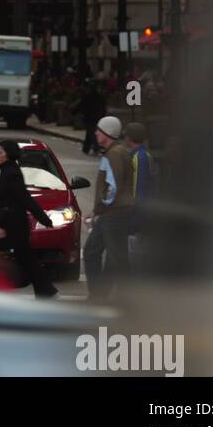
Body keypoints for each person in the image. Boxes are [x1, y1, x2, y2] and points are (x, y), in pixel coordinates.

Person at [0, 139, 57, 298]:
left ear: (8, 154)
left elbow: (25, 198)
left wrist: (43, 218)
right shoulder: (8, 170)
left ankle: (46, 291)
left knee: (0, 257)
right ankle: (47, 291)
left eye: (0, 152)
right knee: (26, 259)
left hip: (13, 225)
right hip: (10, 223)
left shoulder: (11, 173)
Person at [83, 116, 135, 301]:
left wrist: (100, 207)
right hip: (112, 212)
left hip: (114, 212)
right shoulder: (115, 151)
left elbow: (113, 187)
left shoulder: (114, 154)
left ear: (107, 133)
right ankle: (99, 295)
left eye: (99, 130)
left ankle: (123, 298)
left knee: (116, 257)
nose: (95, 133)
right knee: (96, 252)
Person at [124, 121, 156, 253]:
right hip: (144, 213)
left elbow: (138, 189)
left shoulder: (138, 158)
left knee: (132, 253)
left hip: (136, 217)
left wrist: (132, 217)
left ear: (129, 137)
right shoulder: (145, 155)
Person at [75, 80, 106, 155]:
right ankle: (86, 148)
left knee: (91, 132)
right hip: (97, 117)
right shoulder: (99, 97)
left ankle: (96, 148)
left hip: (89, 117)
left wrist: (76, 112)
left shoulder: (88, 97)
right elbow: (103, 107)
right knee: (90, 132)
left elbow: (81, 105)